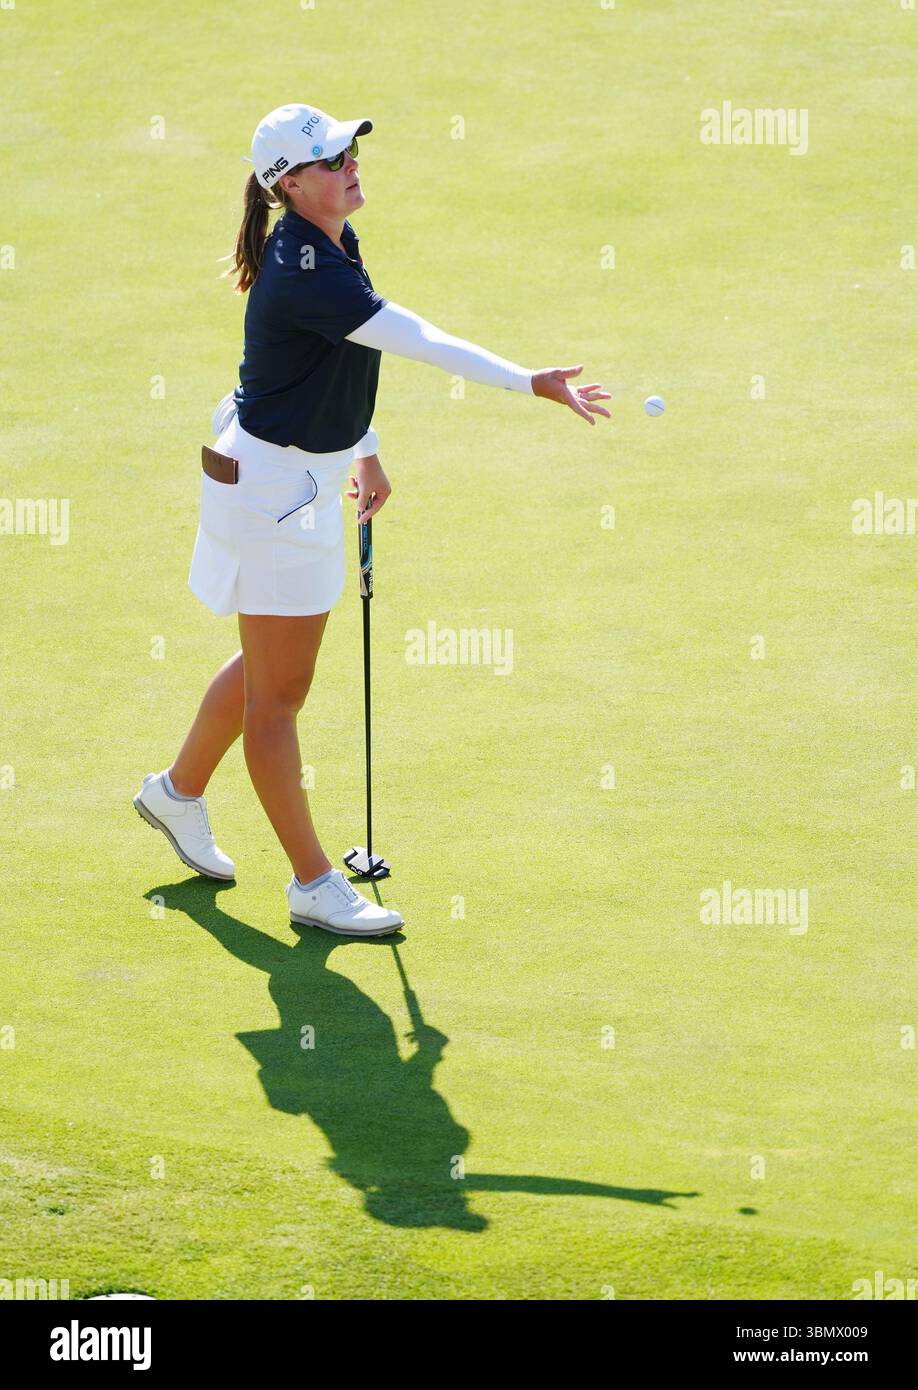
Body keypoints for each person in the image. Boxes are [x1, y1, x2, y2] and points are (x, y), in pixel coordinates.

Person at [133, 103, 611, 938]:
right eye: (330, 160)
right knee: (281, 697)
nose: (350, 165)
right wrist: (529, 380)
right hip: (273, 489)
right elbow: (412, 337)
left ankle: (175, 794)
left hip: (292, 477)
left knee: (267, 666)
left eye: (350, 151)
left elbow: (336, 363)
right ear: (289, 184)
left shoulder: (330, 243)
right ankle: (314, 885)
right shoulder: (306, 268)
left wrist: (364, 447)